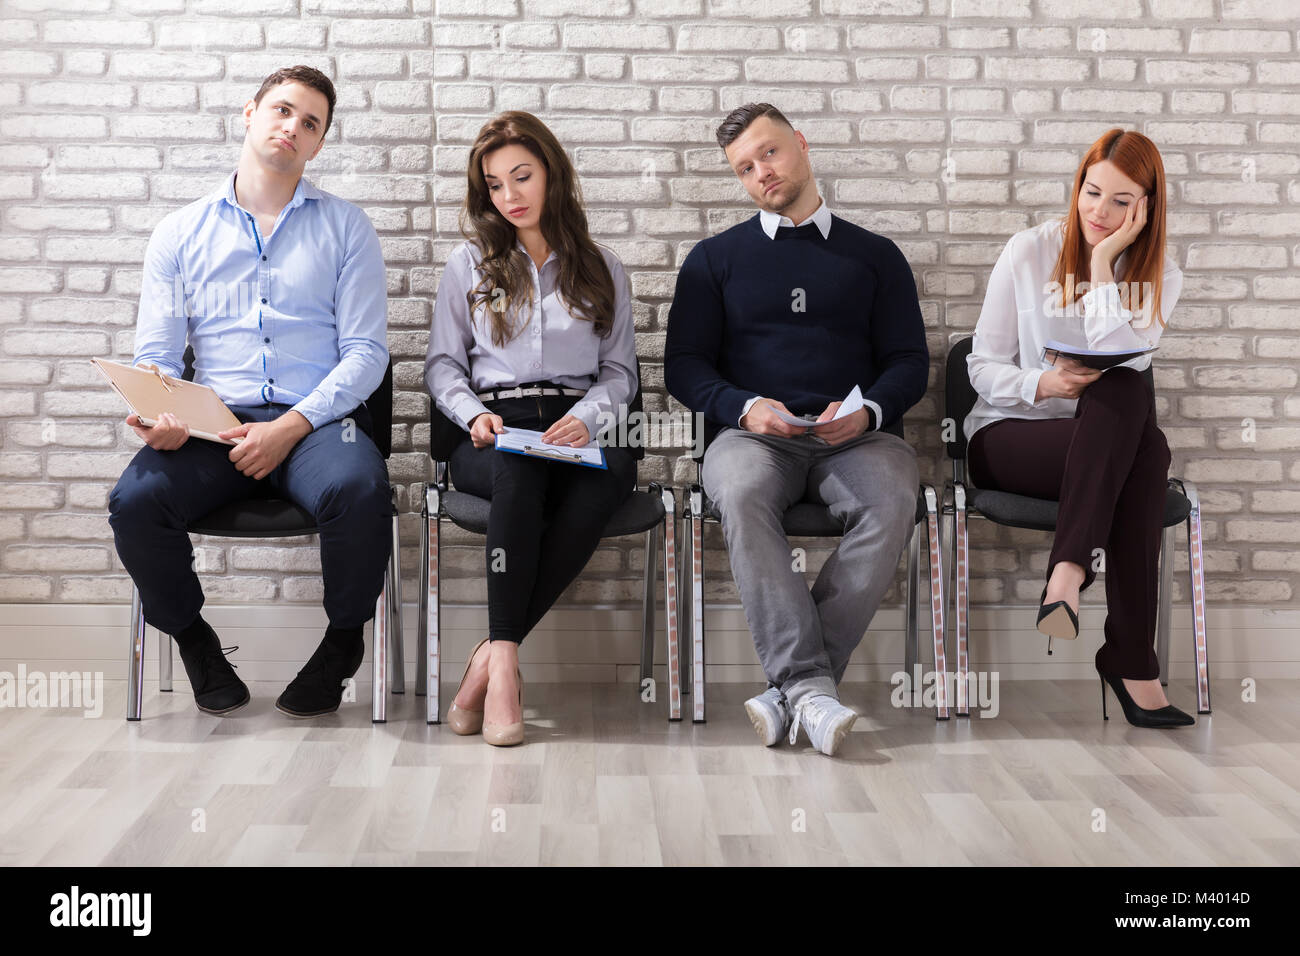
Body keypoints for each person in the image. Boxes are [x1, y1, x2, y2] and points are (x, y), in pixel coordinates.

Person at [108, 66, 391, 719]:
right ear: (251, 112)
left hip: (317, 424)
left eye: (311, 122)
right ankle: (195, 641)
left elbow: (367, 354)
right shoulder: (179, 234)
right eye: (284, 110)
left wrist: (290, 425)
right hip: (215, 426)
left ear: (318, 145)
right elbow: (154, 357)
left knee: (361, 489)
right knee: (135, 502)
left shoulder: (347, 228)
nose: (294, 127)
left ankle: (342, 644)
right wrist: (164, 417)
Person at [664, 103, 927, 756]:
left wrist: (868, 411)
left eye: (770, 154)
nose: (761, 173)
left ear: (802, 145)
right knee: (742, 492)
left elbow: (909, 362)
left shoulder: (876, 257)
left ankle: (795, 691)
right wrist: (742, 405)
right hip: (755, 437)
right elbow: (683, 366)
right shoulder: (713, 260)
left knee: (894, 496)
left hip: (857, 438)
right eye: (745, 168)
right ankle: (812, 689)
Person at [964, 128, 1191, 728]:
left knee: (1128, 395)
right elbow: (981, 367)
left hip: (1099, 454)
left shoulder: (1160, 273)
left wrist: (1100, 263)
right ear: (1077, 186)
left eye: (1122, 201)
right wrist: (1045, 385)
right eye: (1092, 193)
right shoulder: (1028, 250)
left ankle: (1068, 578)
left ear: (1147, 208)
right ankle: (1129, 660)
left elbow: (1121, 353)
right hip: (1009, 436)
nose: (1100, 211)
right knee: (1148, 448)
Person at [425, 111, 638, 747]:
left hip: (581, 425)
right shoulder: (470, 266)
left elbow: (621, 374)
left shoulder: (603, 265)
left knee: (608, 479)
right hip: (495, 429)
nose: (510, 195)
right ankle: (509, 673)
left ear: (552, 173)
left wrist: (586, 418)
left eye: (522, 177)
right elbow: (441, 366)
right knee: (518, 476)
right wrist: (473, 415)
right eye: (494, 184)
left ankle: (489, 660)